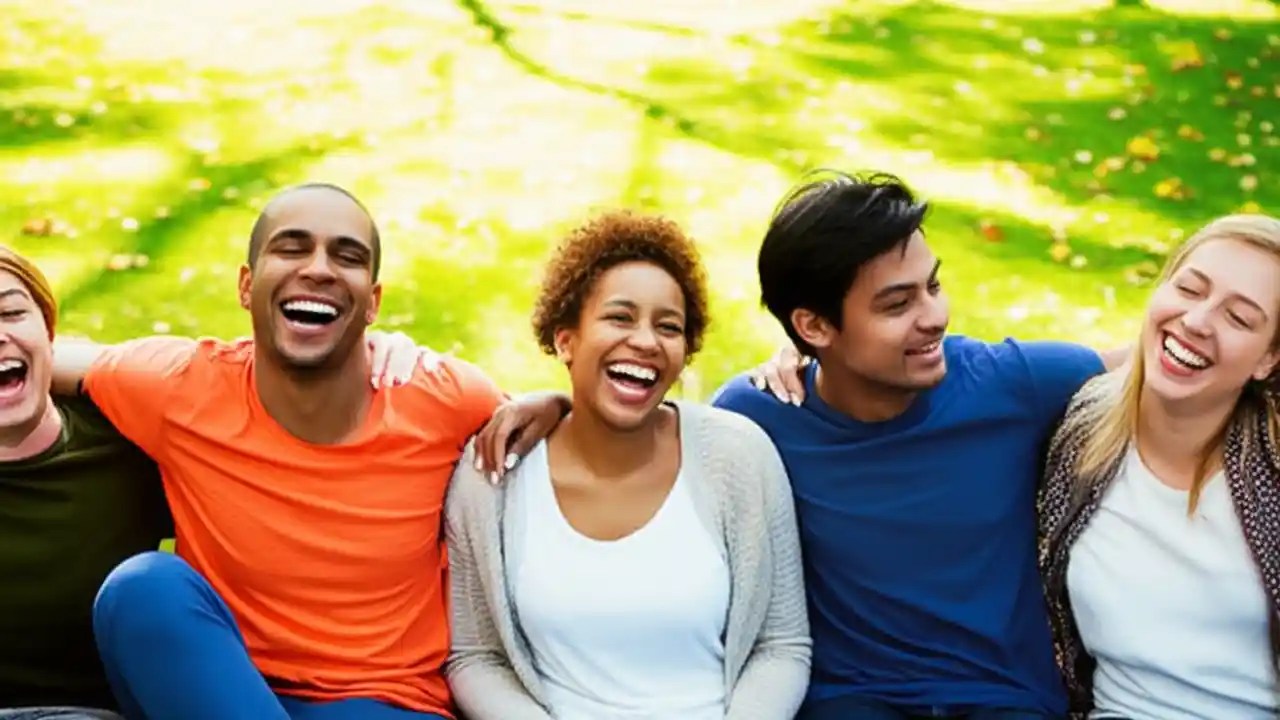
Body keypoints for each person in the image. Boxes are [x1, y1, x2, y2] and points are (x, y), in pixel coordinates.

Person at [475, 171, 1128, 719]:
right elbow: (648, 423)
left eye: (933, 285)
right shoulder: (760, 418)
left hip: (999, 702)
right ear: (813, 326)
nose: (934, 315)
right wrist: (557, 403)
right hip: (848, 704)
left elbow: (1148, 367)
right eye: (897, 303)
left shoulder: (1008, 384)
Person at [47, 183, 564, 720]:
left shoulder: (440, 395)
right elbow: (42, 356)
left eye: (348, 256)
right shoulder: (180, 387)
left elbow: (554, 433)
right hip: (224, 688)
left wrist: (555, 403)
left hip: (382, 702)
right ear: (246, 287)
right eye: (292, 248)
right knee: (143, 591)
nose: (318, 269)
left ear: (373, 303)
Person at [0, 241, 423, 720]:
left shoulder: (134, 433)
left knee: (149, 584)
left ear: (48, 331)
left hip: (129, 707)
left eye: (12, 313)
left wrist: (350, 359)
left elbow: (273, 427)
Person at [445, 210, 811, 720]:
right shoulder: (493, 477)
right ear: (565, 338)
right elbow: (477, 656)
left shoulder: (738, 456)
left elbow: (783, 643)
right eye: (620, 317)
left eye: (669, 327)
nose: (646, 341)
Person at [1038, 214, 1280, 720]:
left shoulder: (1272, 471)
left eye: (1238, 318)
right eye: (1189, 289)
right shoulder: (1080, 436)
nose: (1196, 320)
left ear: (1268, 360)